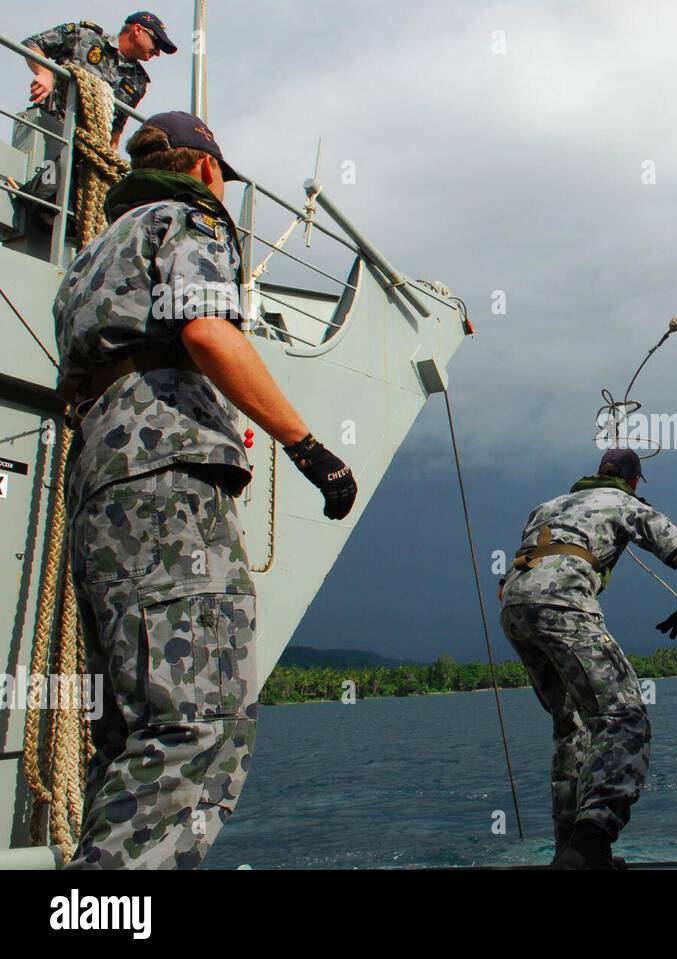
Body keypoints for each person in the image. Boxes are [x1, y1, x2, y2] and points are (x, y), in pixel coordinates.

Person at [55, 111, 358, 868]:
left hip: (99, 481)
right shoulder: (188, 218)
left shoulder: (90, 256)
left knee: (132, 731)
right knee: (195, 719)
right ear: (203, 170)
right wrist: (311, 448)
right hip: (168, 478)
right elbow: (207, 330)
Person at [500, 447, 677, 868]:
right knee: (624, 718)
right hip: (564, 606)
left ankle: (569, 853)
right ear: (632, 481)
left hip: (514, 609)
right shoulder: (626, 503)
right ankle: (592, 842)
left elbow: (507, 586)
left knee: (572, 728)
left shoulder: (546, 507)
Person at [24, 12, 176, 150]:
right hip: (51, 129)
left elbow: (116, 128)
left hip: (89, 150)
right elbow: (33, 44)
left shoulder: (138, 81)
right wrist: (45, 73)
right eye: (156, 44)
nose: (157, 53)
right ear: (137, 30)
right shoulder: (85, 36)